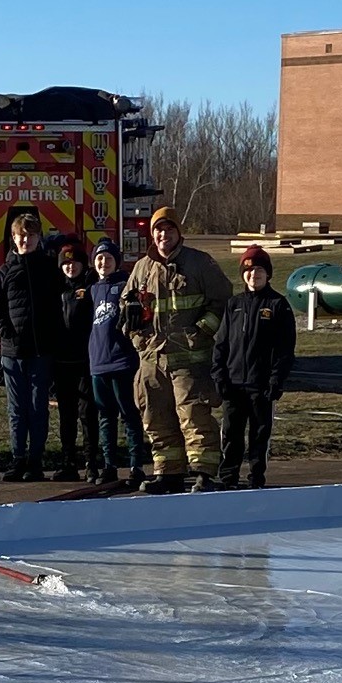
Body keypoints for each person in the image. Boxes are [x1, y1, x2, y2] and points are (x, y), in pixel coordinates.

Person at [121, 201, 231, 490]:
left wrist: (200, 332)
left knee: (194, 416)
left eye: (168, 230)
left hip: (190, 358)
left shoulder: (200, 263)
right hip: (152, 359)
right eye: (158, 231)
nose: (163, 236)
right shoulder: (142, 268)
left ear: (178, 233)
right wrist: (137, 336)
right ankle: (167, 473)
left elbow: (221, 302)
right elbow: (126, 305)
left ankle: (204, 473)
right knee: (155, 417)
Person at [0, 205, 64, 479]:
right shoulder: (5, 272)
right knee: (17, 409)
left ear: (38, 238)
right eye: (21, 236)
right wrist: (3, 330)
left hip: (41, 351)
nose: (25, 240)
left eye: (31, 236)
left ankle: (36, 461)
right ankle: (18, 459)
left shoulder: (49, 269)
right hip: (13, 352)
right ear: (13, 238)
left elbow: (62, 303)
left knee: (38, 407)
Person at [216, 243, 297, 487]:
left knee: (259, 434)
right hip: (233, 384)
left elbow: (285, 349)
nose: (254, 275)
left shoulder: (278, 305)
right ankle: (228, 476)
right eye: (249, 271)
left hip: (261, 386)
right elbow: (221, 344)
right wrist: (219, 377)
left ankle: (256, 477)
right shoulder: (234, 304)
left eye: (259, 270)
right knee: (231, 434)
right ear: (243, 274)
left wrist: (276, 381)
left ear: (268, 274)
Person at [85, 235, 147, 489]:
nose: (104, 263)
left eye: (108, 258)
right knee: (105, 416)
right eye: (99, 258)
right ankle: (109, 465)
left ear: (117, 261)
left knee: (129, 414)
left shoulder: (124, 285)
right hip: (98, 362)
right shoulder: (93, 289)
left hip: (121, 361)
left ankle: (136, 465)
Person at [48, 232, 95, 480]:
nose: (70, 266)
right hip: (62, 362)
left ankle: (91, 462)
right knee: (67, 415)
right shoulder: (55, 289)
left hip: (85, 360)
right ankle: (68, 462)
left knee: (88, 413)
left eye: (74, 262)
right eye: (65, 263)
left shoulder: (91, 287)